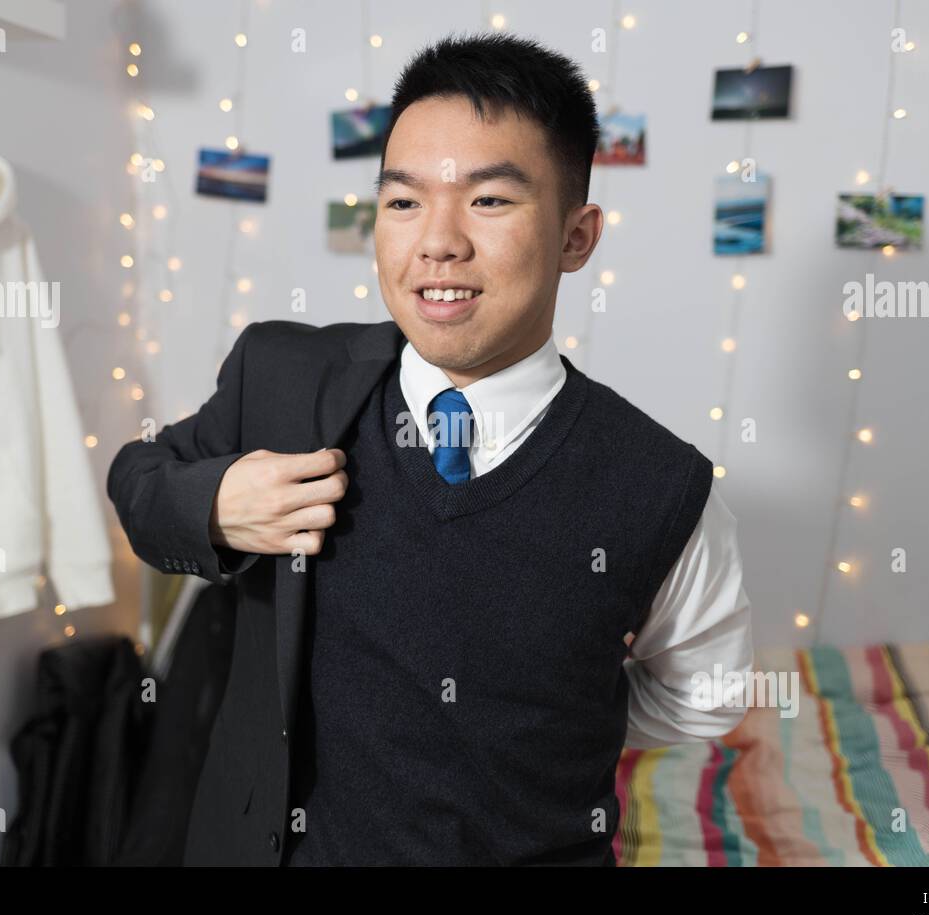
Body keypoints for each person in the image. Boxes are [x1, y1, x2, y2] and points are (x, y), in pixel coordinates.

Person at [107, 31, 752, 867]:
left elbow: (707, 696)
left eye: (489, 201)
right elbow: (139, 482)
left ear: (576, 236)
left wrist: (555, 704)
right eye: (404, 201)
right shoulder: (285, 378)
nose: (437, 242)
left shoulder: (663, 487)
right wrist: (216, 505)